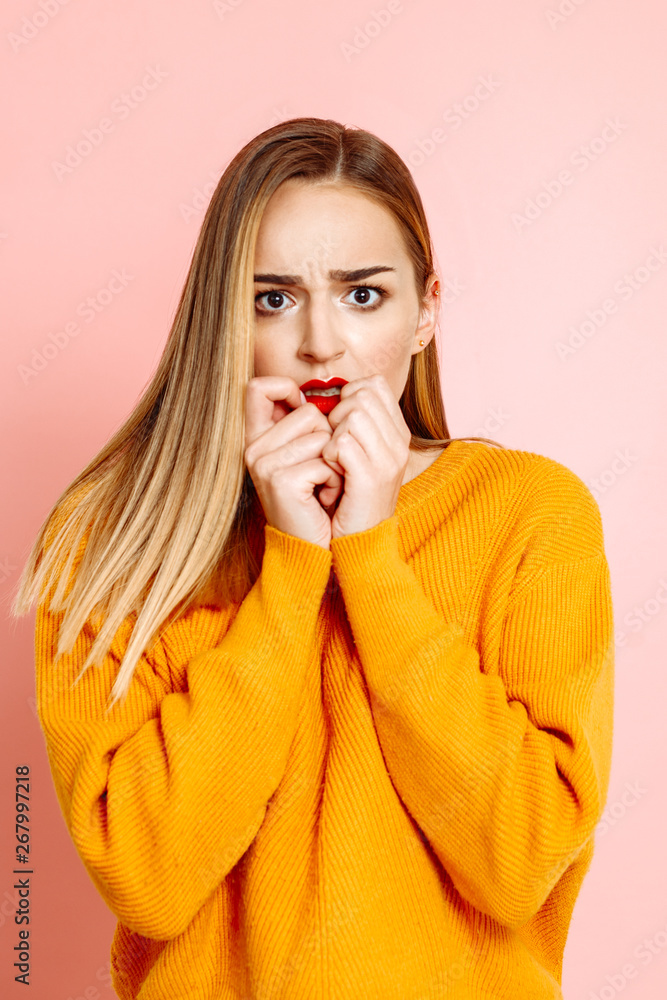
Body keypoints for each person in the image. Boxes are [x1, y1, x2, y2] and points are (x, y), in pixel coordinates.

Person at [13, 117, 614, 999]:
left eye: (362, 295)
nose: (320, 343)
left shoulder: (529, 514)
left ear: (426, 311)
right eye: (273, 298)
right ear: (222, 315)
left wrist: (369, 556)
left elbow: (519, 856)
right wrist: (293, 561)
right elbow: (148, 876)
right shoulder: (115, 534)